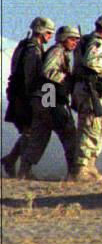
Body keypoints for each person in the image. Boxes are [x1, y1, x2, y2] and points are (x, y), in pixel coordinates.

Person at [19, 25, 79, 178]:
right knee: (69, 133)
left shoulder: (60, 52)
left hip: (46, 96)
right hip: (50, 95)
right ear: (63, 39)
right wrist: (67, 78)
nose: (75, 43)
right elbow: (47, 72)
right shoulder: (57, 51)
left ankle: (24, 170)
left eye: (76, 40)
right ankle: (74, 172)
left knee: (40, 134)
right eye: (72, 39)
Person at [69, 14, 102, 181]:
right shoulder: (97, 42)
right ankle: (82, 168)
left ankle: (90, 165)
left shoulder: (86, 40)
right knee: (90, 126)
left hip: (87, 89)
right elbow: (91, 62)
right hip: (88, 89)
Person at [2, 16, 55, 176]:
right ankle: (23, 169)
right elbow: (30, 77)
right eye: (48, 33)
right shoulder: (32, 50)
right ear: (40, 31)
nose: (50, 36)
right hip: (24, 96)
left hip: (18, 93)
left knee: (29, 130)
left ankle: (11, 160)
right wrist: (36, 97)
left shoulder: (23, 45)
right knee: (30, 131)